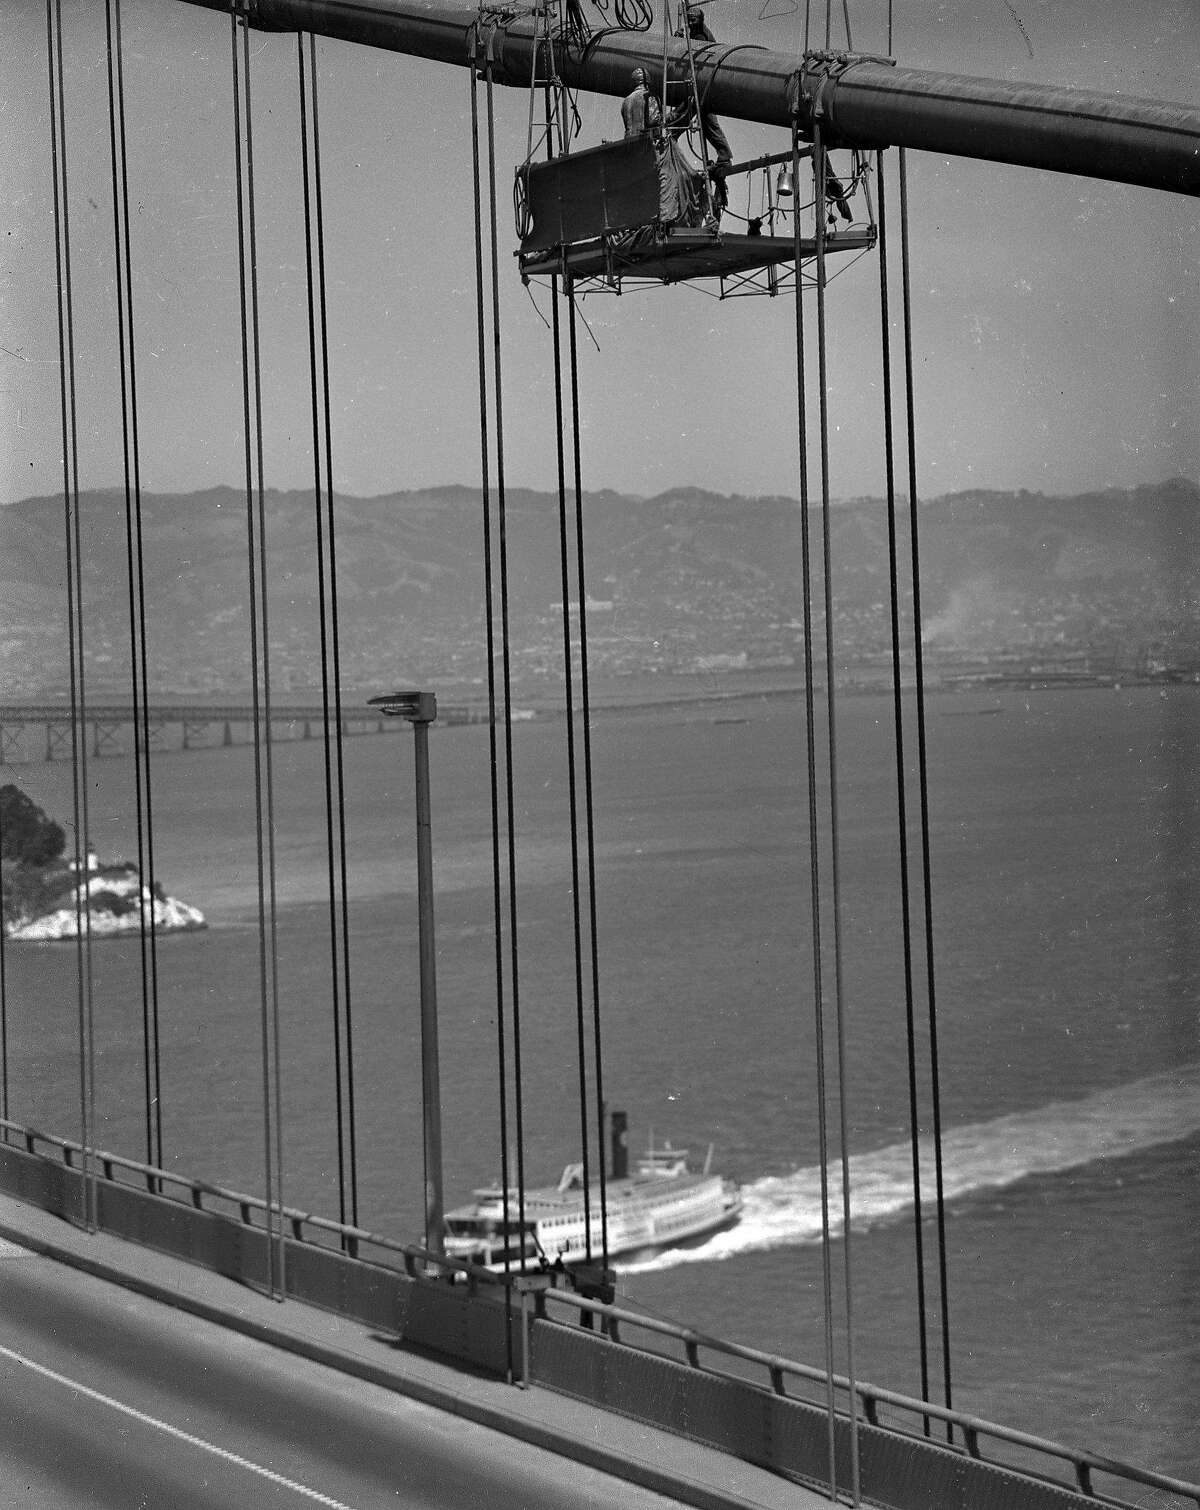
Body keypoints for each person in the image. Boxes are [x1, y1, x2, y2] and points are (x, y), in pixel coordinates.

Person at [672, 5, 733, 217]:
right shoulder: (697, 32)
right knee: (707, 125)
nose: (688, 23)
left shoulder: (702, 36)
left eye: (691, 20)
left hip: (703, 84)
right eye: (687, 20)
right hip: (703, 84)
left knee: (691, 115)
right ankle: (723, 154)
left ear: (698, 20)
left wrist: (680, 40)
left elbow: (697, 55)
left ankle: (673, 136)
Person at [621, 67, 662, 138]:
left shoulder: (626, 100)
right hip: (644, 141)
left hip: (629, 142)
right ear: (648, 81)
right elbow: (653, 120)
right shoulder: (649, 96)